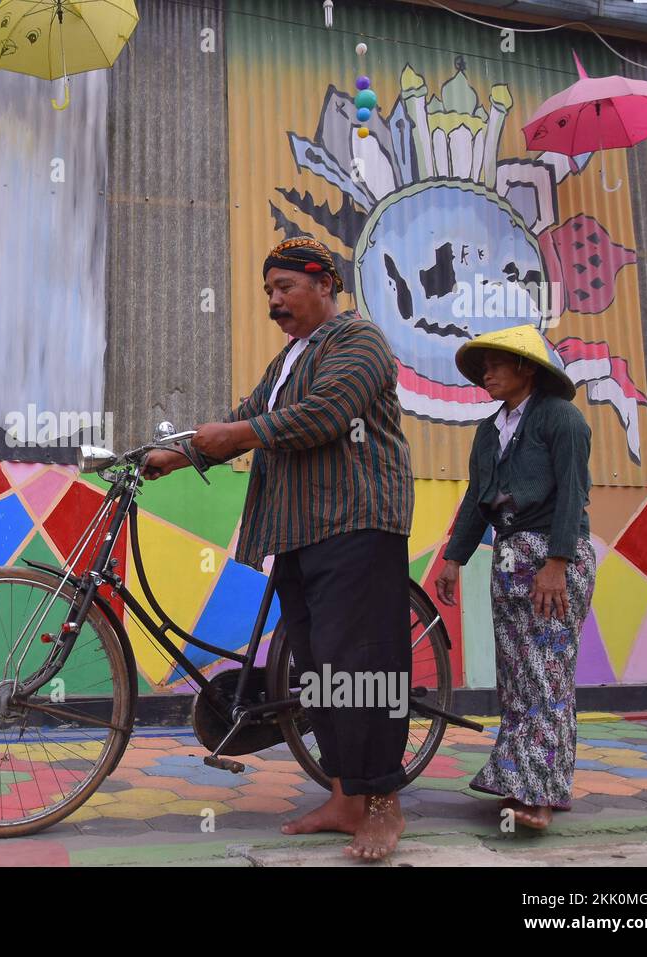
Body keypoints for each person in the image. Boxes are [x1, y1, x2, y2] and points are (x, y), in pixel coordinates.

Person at [145, 237, 415, 861]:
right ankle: (346, 798)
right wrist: (170, 458)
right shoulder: (289, 360)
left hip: (356, 523)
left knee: (363, 672)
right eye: (268, 291)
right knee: (319, 674)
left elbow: (324, 415)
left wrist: (233, 433)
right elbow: (245, 417)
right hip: (299, 530)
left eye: (284, 288)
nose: (274, 301)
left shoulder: (359, 341)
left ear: (324, 285)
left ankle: (383, 805)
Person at [434, 324, 595, 832]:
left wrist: (558, 564)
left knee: (547, 673)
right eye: (483, 367)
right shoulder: (489, 430)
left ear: (527, 368)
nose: (486, 374)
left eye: (496, 364)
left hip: (553, 555)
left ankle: (541, 795)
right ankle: (521, 777)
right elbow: (476, 499)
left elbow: (573, 493)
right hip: (507, 558)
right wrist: (453, 559)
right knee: (518, 677)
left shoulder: (561, 419)